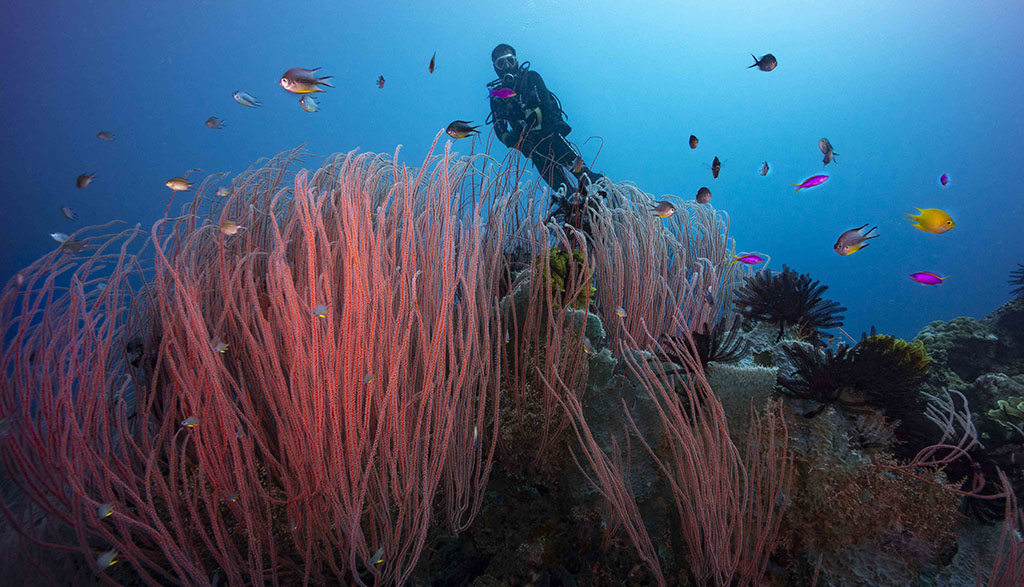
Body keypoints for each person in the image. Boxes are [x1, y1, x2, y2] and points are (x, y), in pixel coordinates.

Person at [486, 44, 604, 213]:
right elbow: (499, 128)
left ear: (516, 61)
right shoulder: (497, 96)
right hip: (533, 149)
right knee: (565, 193)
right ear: (496, 69)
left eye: (510, 61)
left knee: (586, 176)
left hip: (552, 137)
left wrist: (535, 116)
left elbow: (547, 106)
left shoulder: (531, 78)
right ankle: (583, 221)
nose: (507, 67)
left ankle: (611, 199)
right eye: (501, 64)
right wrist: (510, 138)